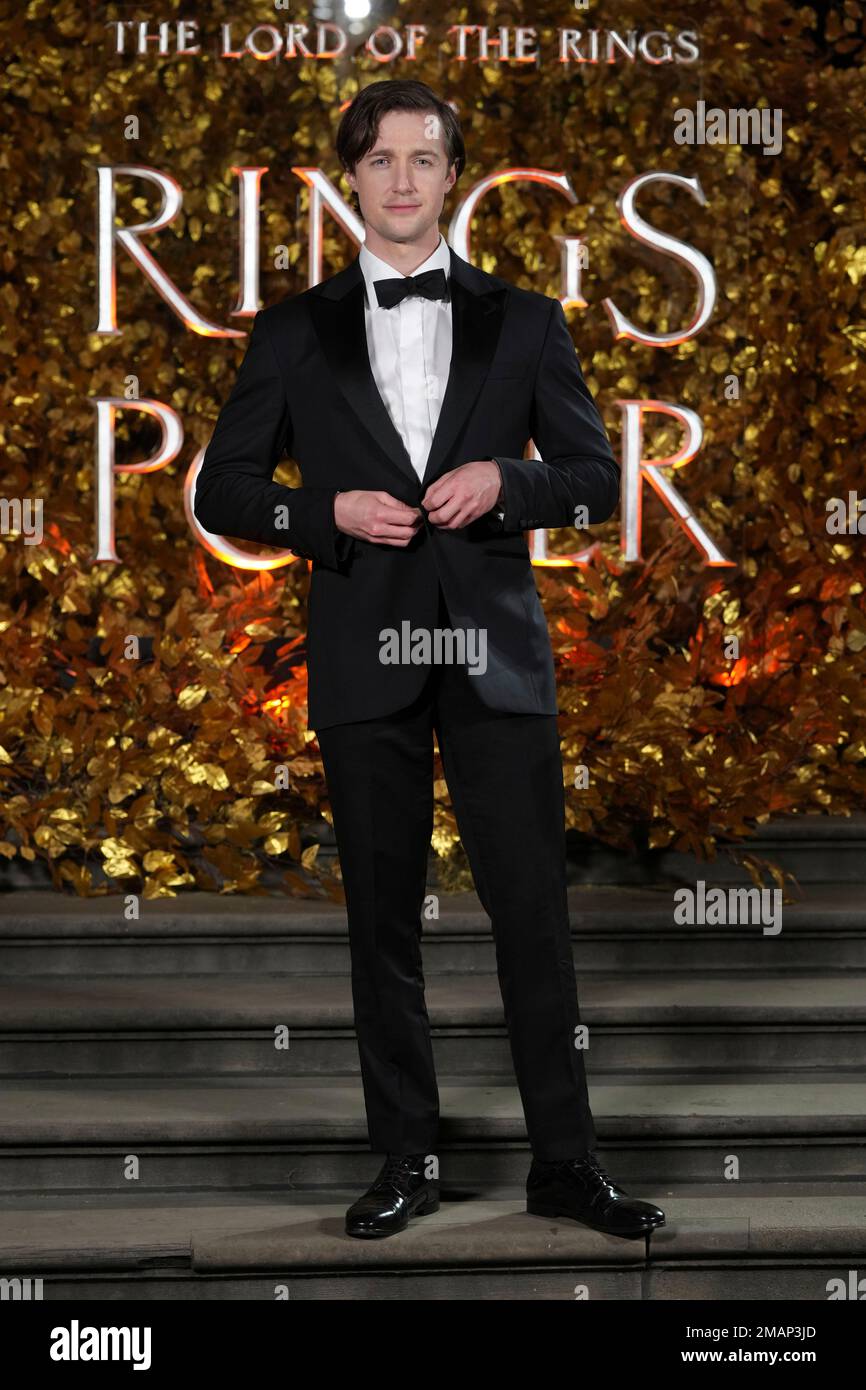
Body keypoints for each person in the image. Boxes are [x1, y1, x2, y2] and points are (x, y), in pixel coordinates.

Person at [194, 78, 665, 1244]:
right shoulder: (293, 330)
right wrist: (325, 511)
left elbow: (598, 478)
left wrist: (510, 482)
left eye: (423, 157)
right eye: (380, 159)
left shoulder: (525, 321)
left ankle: (565, 1164)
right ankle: (405, 1160)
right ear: (350, 177)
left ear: (454, 174)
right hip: (365, 645)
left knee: (531, 915)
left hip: (494, 652)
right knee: (381, 924)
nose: (401, 179)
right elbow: (222, 487)